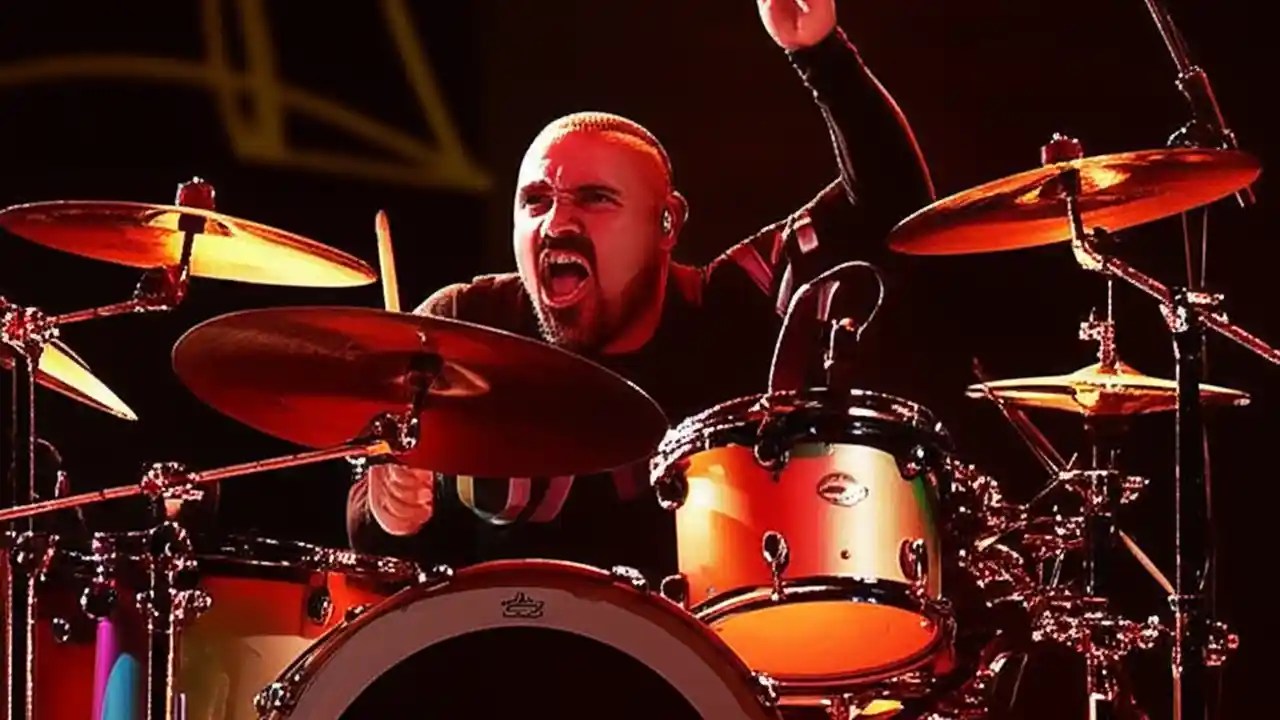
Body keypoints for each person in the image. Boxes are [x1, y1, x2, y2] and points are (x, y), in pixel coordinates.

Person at [347, 0, 936, 586]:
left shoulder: (728, 305)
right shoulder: (460, 326)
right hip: (495, 652)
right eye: (535, 202)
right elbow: (368, 544)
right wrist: (385, 508)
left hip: (695, 662)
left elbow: (892, 208)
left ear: (667, 224)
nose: (557, 223)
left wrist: (822, 54)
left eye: (595, 198)